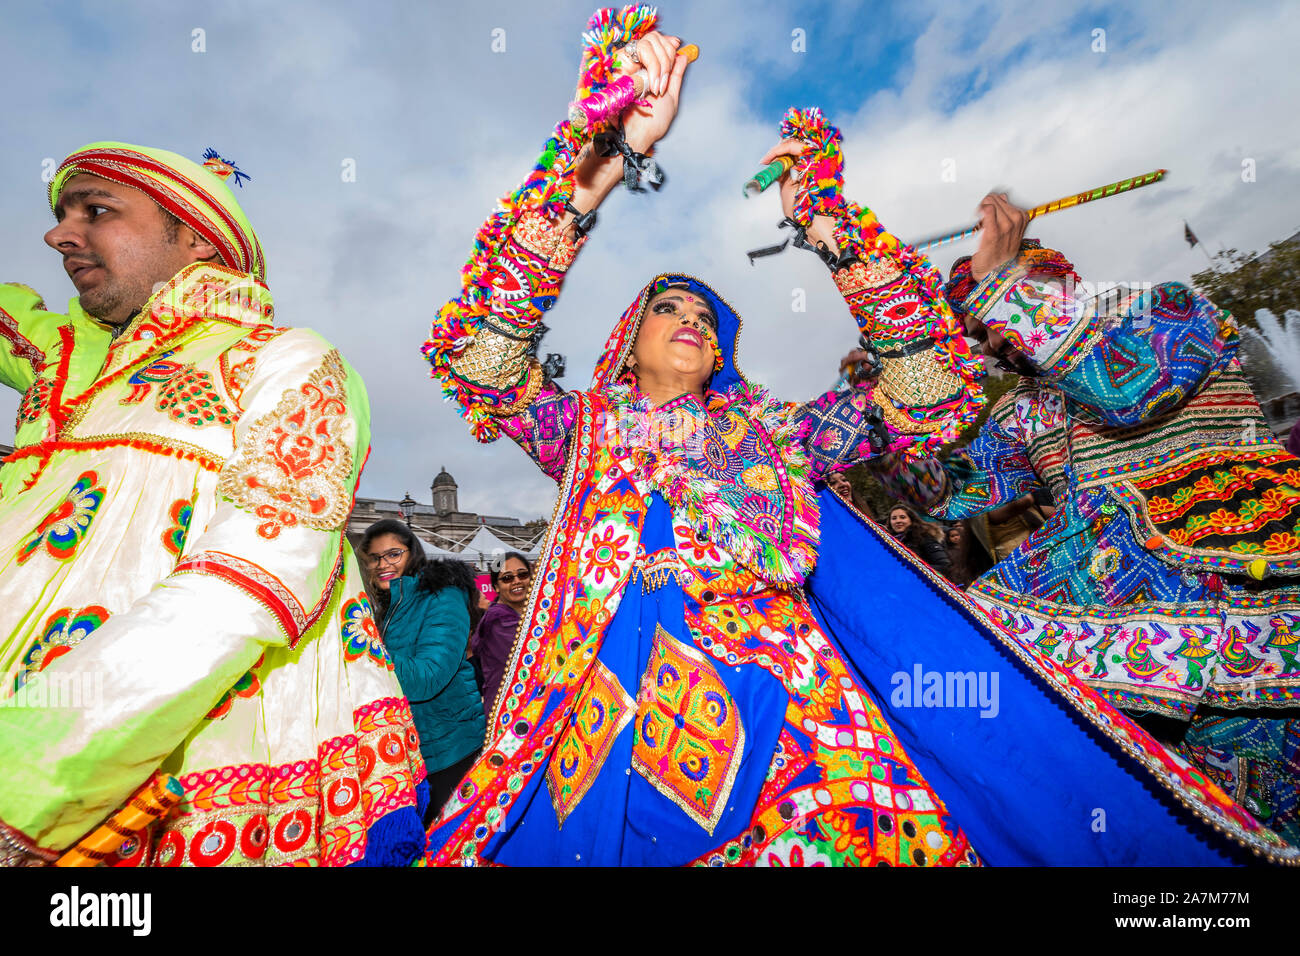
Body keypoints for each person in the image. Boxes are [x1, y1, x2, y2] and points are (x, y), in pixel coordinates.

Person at [416, 11, 1288, 866]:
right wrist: (590, 176)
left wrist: (832, 229)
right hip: (602, 713)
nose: (692, 320)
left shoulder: (777, 433)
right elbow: (485, 361)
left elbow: (927, 397)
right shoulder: (585, 427)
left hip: (793, 709)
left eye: (708, 317)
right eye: (668, 306)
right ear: (624, 342)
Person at [0, 143, 427, 866]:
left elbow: (252, 578)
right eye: (61, 213)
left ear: (197, 235)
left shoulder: (285, 357)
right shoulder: (59, 357)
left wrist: (35, 772)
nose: (59, 234)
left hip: (151, 770)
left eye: (97, 210)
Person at [882, 190, 1300, 842]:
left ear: (1057, 289)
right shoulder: (1022, 409)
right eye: (979, 331)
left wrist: (998, 280)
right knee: (1213, 833)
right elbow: (956, 490)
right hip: (1140, 660)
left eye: (996, 316)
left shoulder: (1167, 311)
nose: (993, 341)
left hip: (1255, 611)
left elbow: (1125, 392)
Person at [360, 520, 486, 826]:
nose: (383, 564)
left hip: (450, 750)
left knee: (452, 846)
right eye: (374, 558)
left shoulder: (443, 595)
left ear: (413, 553)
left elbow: (427, 677)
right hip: (408, 757)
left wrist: (364, 647)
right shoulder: (387, 608)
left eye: (393, 554)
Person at [471, 552, 532, 722]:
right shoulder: (498, 621)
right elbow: (531, 658)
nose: (516, 581)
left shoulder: (529, 613)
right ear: (496, 587)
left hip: (528, 708)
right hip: (510, 715)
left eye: (522, 574)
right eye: (507, 578)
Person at [885, 503, 951, 576]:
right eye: (894, 518)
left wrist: (914, 569)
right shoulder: (890, 543)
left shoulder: (924, 536)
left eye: (902, 517)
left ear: (912, 519)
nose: (898, 521)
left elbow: (945, 566)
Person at [943, 520, 991, 589]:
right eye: (953, 536)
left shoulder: (975, 547)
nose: (956, 538)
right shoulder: (950, 552)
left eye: (957, 535)